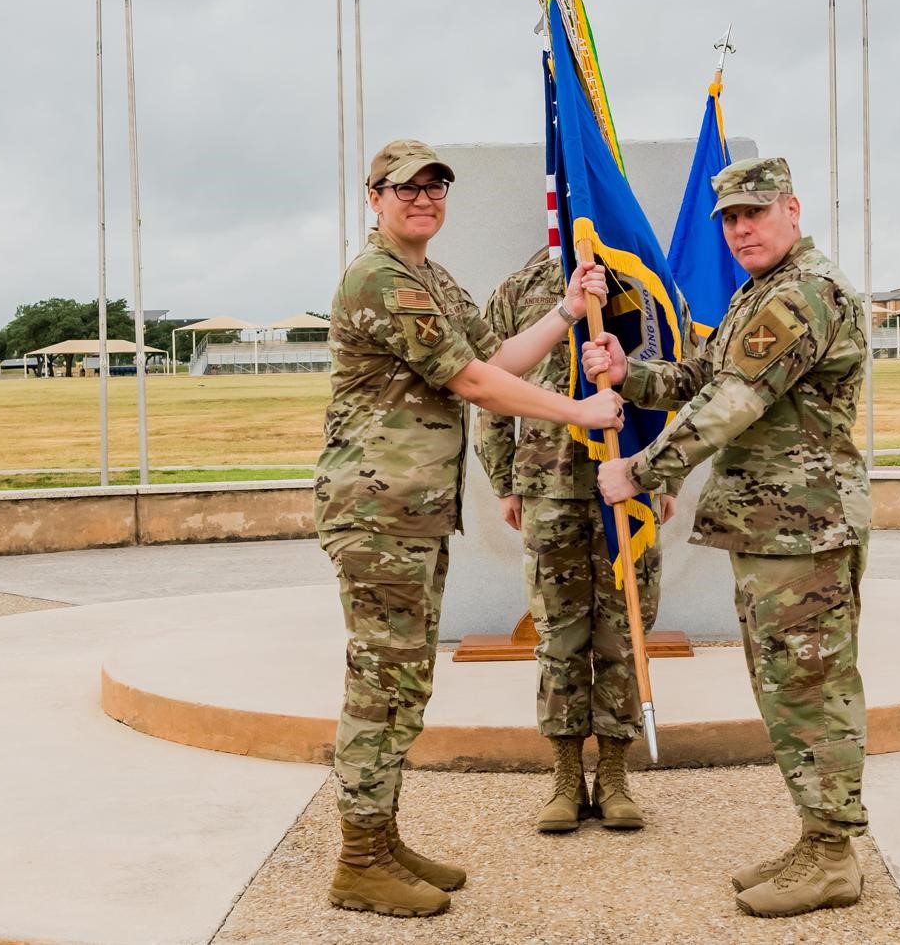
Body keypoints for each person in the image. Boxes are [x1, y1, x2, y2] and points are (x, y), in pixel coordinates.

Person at [314, 139, 624, 918]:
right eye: (406, 188)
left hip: (410, 515)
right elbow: (473, 383)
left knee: (405, 682)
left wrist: (565, 310)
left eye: (435, 186)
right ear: (374, 197)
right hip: (376, 514)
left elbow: (501, 356)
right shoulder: (381, 278)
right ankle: (358, 859)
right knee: (382, 685)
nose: (423, 199)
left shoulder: (432, 277)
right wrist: (579, 410)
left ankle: (382, 841)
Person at [582, 156, 871, 919]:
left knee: (812, 692)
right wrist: (630, 373)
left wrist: (640, 471)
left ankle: (833, 854)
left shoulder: (804, 295)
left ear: (792, 210)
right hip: (777, 530)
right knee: (787, 691)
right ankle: (817, 840)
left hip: (806, 532)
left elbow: (731, 404)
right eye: (731, 219)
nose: (741, 229)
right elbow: (700, 378)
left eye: (756, 213)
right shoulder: (759, 294)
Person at [475, 248, 676, 834]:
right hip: (549, 486)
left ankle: (613, 776)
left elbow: (678, 381)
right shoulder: (519, 288)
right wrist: (504, 480)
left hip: (629, 485)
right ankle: (565, 777)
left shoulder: (644, 281)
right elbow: (491, 386)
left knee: (623, 635)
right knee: (559, 639)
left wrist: (668, 477)